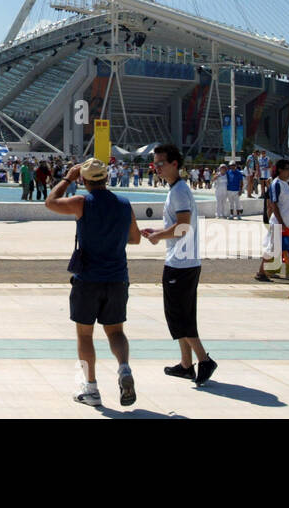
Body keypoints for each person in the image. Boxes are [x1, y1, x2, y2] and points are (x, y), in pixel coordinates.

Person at [46, 156, 141, 407]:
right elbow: (135, 238)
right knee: (116, 331)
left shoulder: (81, 203)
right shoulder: (124, 204)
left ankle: (91, 388)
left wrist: (67, 178)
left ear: (84, 180)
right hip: (117, 278)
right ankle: (124, 368)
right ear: (107, 178)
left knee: (84, 334)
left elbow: (50, 202)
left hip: (88, 279)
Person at [141, 144, 217, 386]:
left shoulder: (179, 192)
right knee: (181, 315)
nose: (157, 167)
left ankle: (204, 359)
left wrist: (157, 236)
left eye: (161, 163)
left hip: (181, 263)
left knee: (179, 317)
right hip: (183, 260)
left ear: (175, 163)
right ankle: (186, 365)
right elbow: (179, 225)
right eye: (155, 163)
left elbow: (184, 226)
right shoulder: (176, 189)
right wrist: (159, 232)